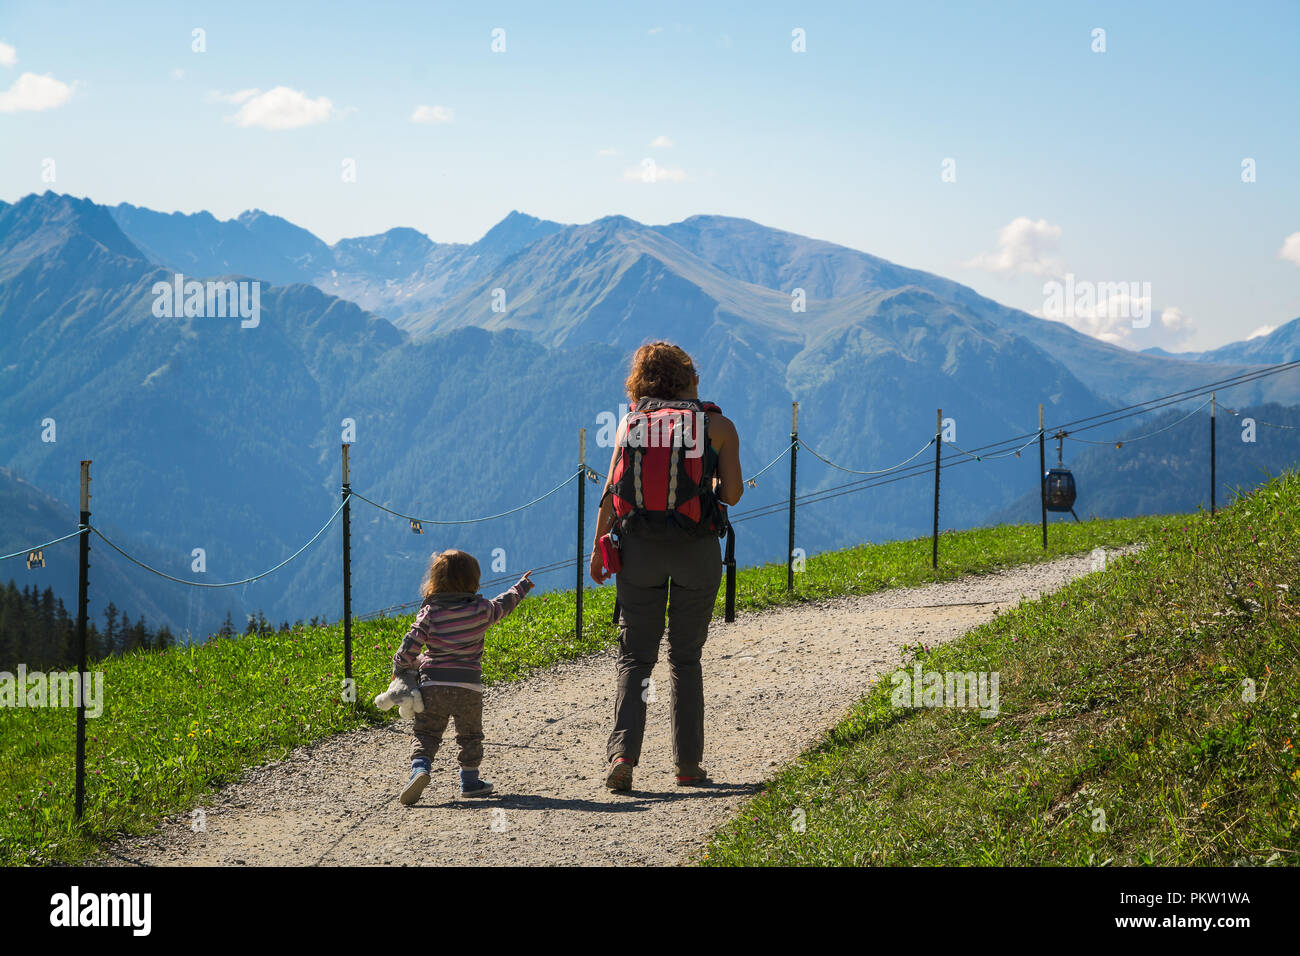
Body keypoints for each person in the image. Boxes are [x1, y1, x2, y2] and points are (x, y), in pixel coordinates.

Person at [589, 341, 744, 791]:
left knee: (635, 658)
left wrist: (599, 548)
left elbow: (611, 492)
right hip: (695, 550)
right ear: (690, 378)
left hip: (638, 549)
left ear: (640, 381)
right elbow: (732, 494)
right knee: (685, 658)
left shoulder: (630, 424)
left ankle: (622, 755)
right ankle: (688, 766)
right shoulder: (717, 426)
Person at [393, 549, 533, 804]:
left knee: (427, 733)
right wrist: (521, 587)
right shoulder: (481, 609)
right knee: (469, 735)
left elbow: (411, 641)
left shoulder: (431, 612)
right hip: (469, 687)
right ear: (473, 581)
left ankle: (420, 769)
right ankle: (469, 781)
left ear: (435, 580)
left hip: (433, 685)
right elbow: (503, 605)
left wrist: (401, 665)